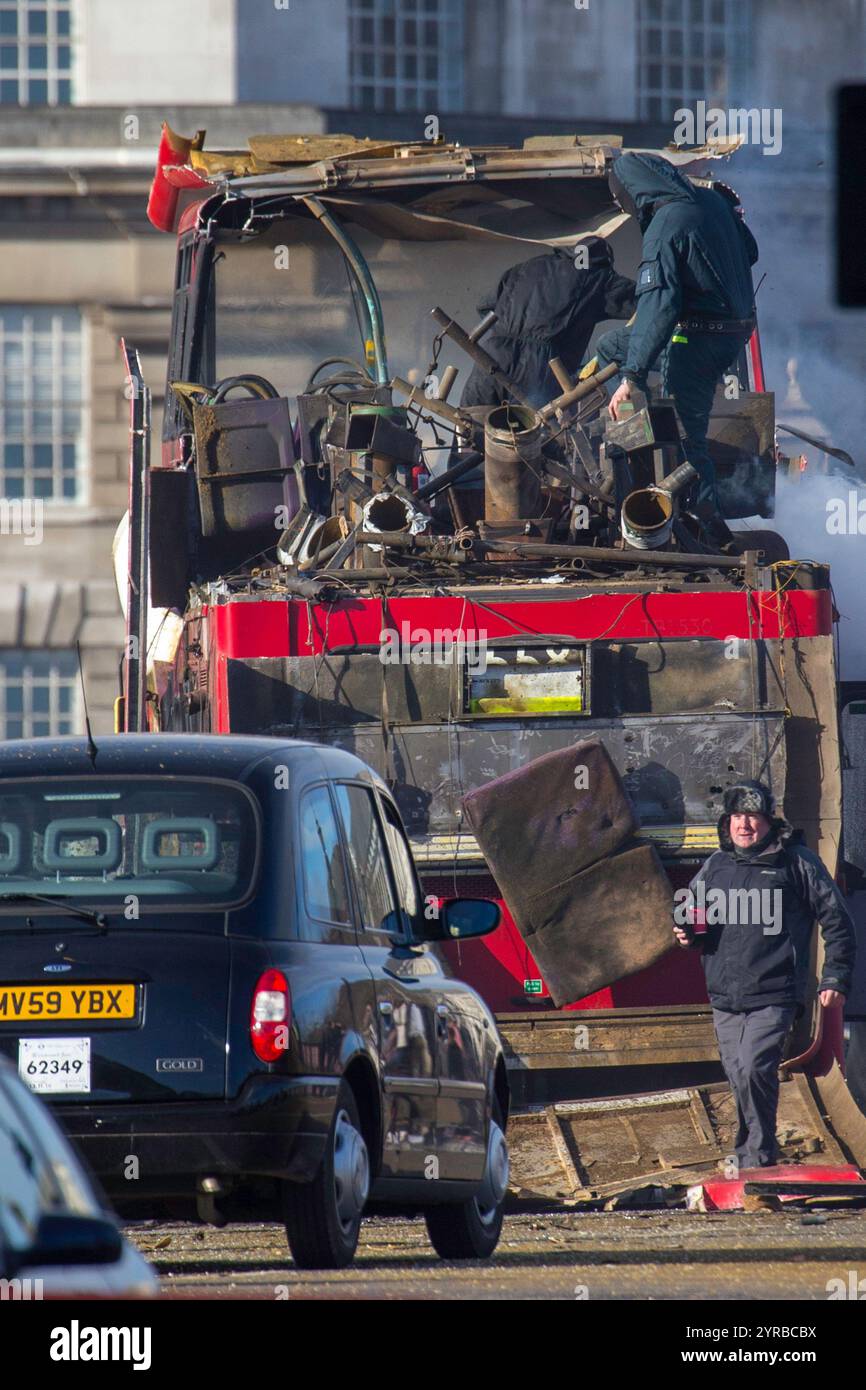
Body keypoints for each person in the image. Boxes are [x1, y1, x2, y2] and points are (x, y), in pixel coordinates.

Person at [673, 780, 855, 1169]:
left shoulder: (797, 862)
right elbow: (693, 915)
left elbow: (837, 919)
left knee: (756, 1067)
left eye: (752, 816)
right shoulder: (716, 866)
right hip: (724, 996)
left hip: (774, 993)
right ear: (727, 823)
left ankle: (757, 1157)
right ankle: (753, 1153)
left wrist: (835, 977)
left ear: (769, 821)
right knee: (739, 1075)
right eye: (737, 817)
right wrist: (687, 932)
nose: (744, 825)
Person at [599, 153, 759, 539]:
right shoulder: (711, 201)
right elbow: (751, 253)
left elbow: (659, 305)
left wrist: (632, 377)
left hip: (698, 337)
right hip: (730, 332)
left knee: (689, 437)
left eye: (624, 202)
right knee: (610, 345)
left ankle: (706, 527)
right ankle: (635, 441)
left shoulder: (666, 224)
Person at [459, 237, 635, 410]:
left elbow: (485, 306)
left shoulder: (529, 266)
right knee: (537, 434)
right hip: (539, 367)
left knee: (468, 428)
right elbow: (648, 299)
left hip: (492, 356)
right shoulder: (598, 276)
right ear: (603, 261)